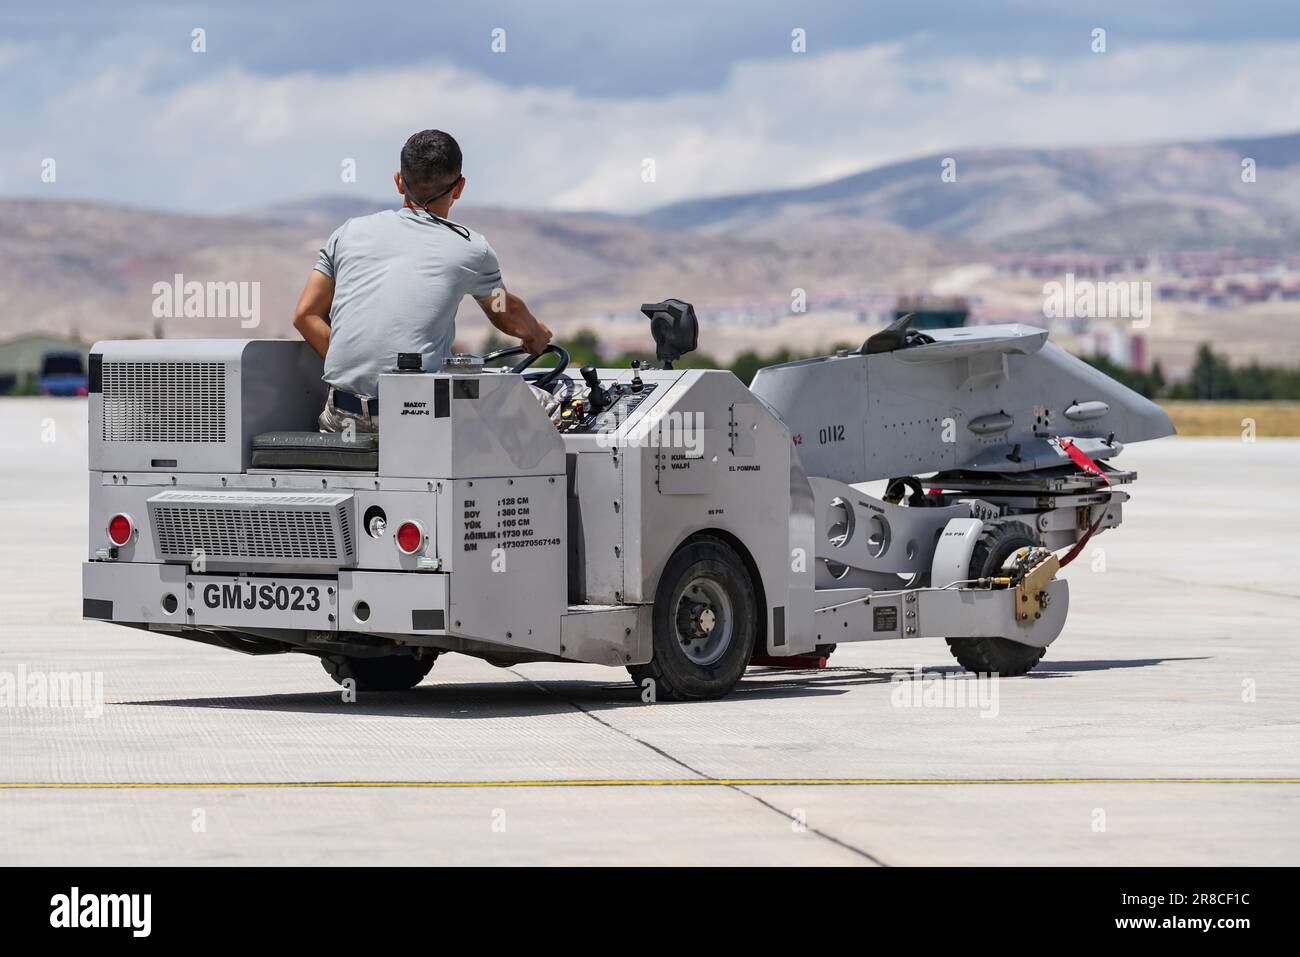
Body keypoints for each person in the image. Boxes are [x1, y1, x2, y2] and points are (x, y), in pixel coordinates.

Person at [292, 129, 552, 432]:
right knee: (545, 406)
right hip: (416, 418)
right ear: (459, 188)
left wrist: (356, 368)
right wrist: (534, 334)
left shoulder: (348, 232)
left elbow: (305, 315)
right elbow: (507, 313)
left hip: (343, 418)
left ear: (399, 181)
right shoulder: (471, 249)